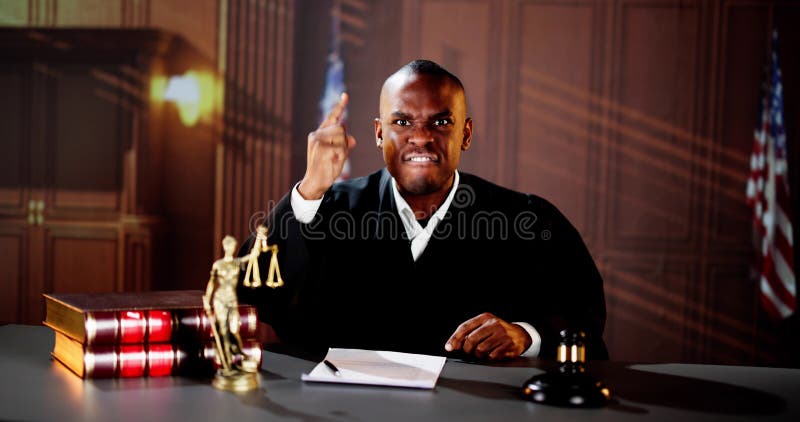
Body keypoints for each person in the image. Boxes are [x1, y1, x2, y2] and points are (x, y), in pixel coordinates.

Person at [238, 59, 608, 361]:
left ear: (466, 133)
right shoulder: (325, 210)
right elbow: (249, 290)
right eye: (402, 122)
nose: (421, 137)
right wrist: (309, 190)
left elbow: (584, 316)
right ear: (379, 133)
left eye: (441, 122)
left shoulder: (525, 219)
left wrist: (526, 336)